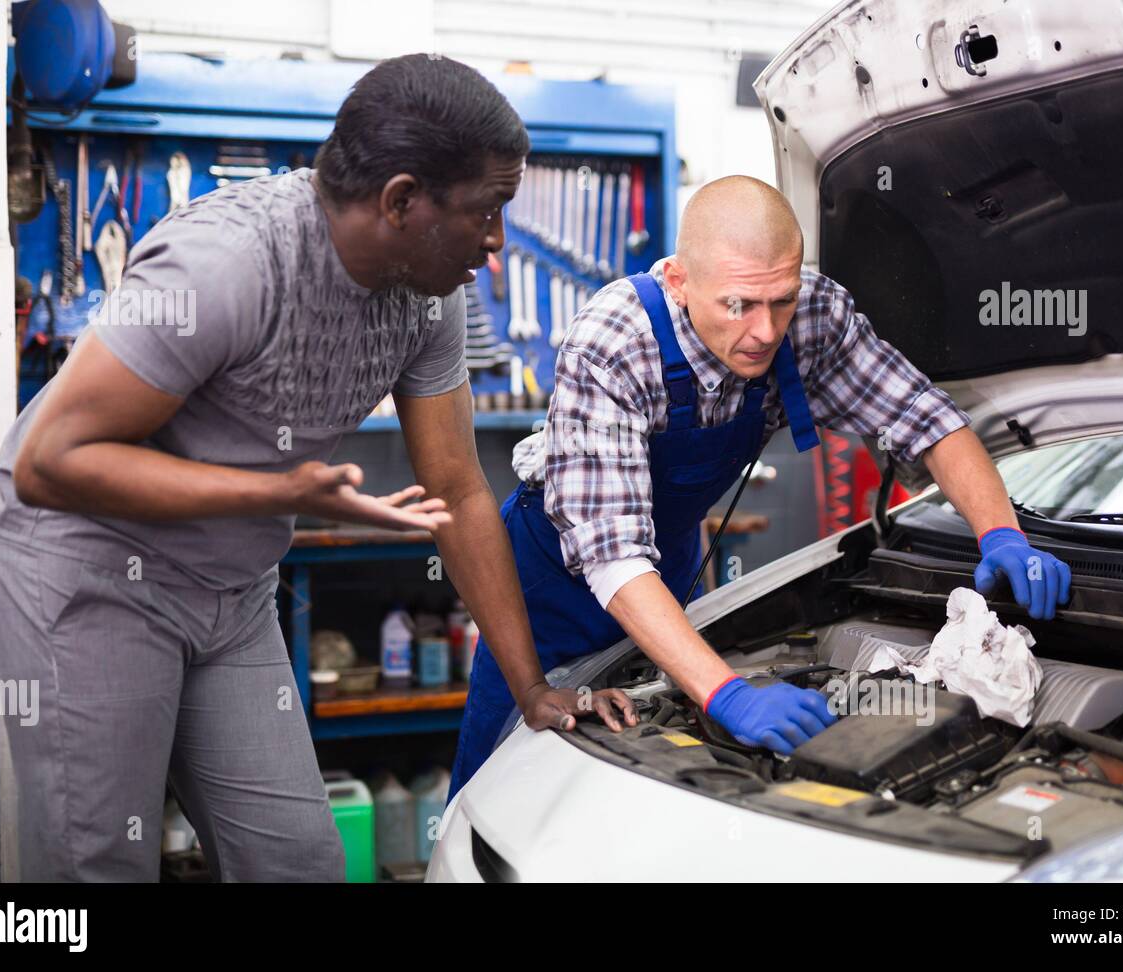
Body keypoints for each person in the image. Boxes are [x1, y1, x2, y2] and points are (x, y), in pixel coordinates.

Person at [0, 53, 630, 882]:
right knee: (98, 864)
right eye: (487, 212)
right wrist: (280, 493)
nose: (497, 243)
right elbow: (48, 463)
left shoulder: (432, 296)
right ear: (400, 201)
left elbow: (458, 489)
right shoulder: (226, 265)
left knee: (297, 862)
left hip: (229, 592)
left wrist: (532, 689)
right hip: (86, 570)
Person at [449, 175, 1072, 800]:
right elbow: (612, 556)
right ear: (679, 281)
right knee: (506, 780)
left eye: (781, 301)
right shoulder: (615, 342)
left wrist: (1001, 535)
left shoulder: (814, 315)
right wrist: (728, 695)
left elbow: (927, 420)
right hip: (551, 581)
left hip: (665, 567)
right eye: (738, 305)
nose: (766, 332)